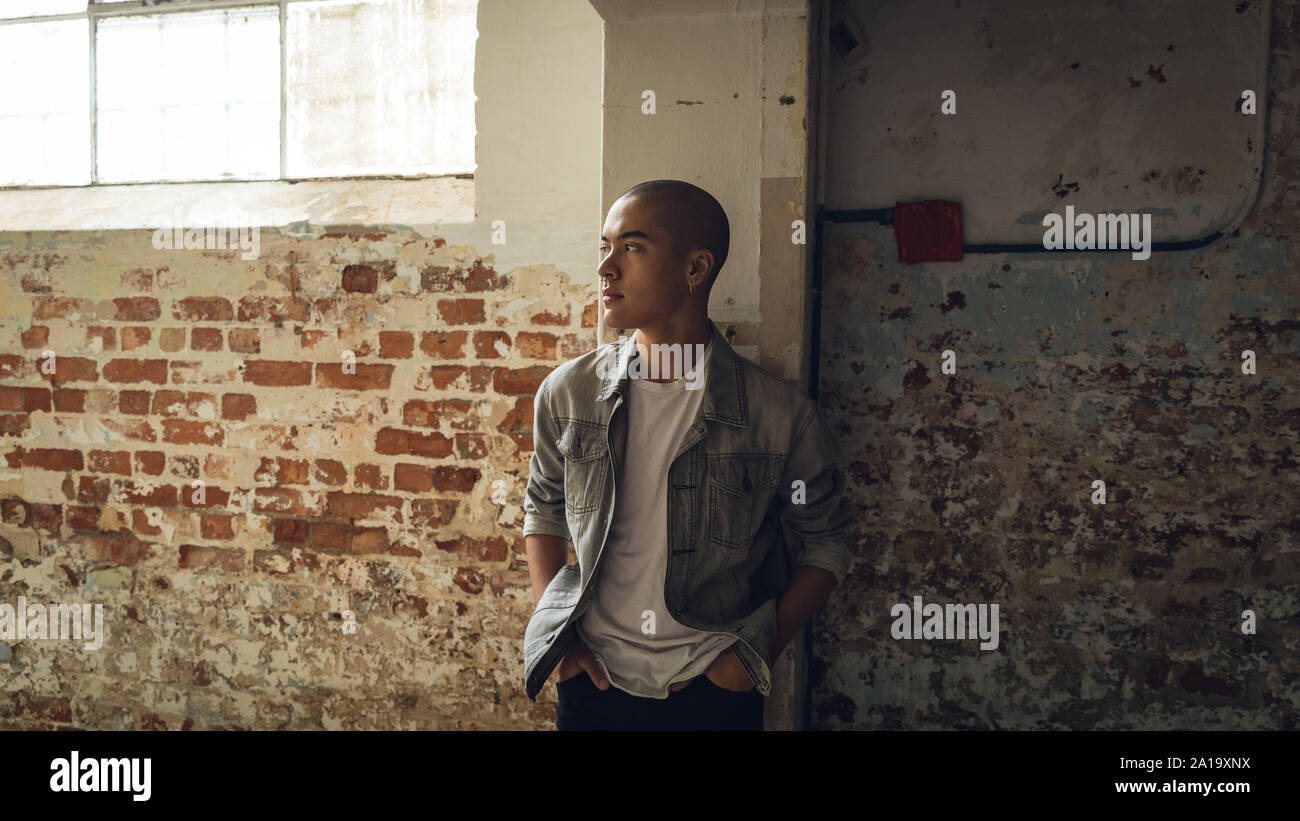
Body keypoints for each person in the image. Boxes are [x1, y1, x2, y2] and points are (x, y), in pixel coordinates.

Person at [522, 179, 855, 731]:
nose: (606, 268)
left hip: (712, 690)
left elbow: (828, 540)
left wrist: (752, 657)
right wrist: (558, 640)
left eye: (631, 248)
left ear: (695, 268)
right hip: (593, 679)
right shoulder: (568, 392)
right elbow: (545, 507)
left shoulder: (779, 415)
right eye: (604, 247)